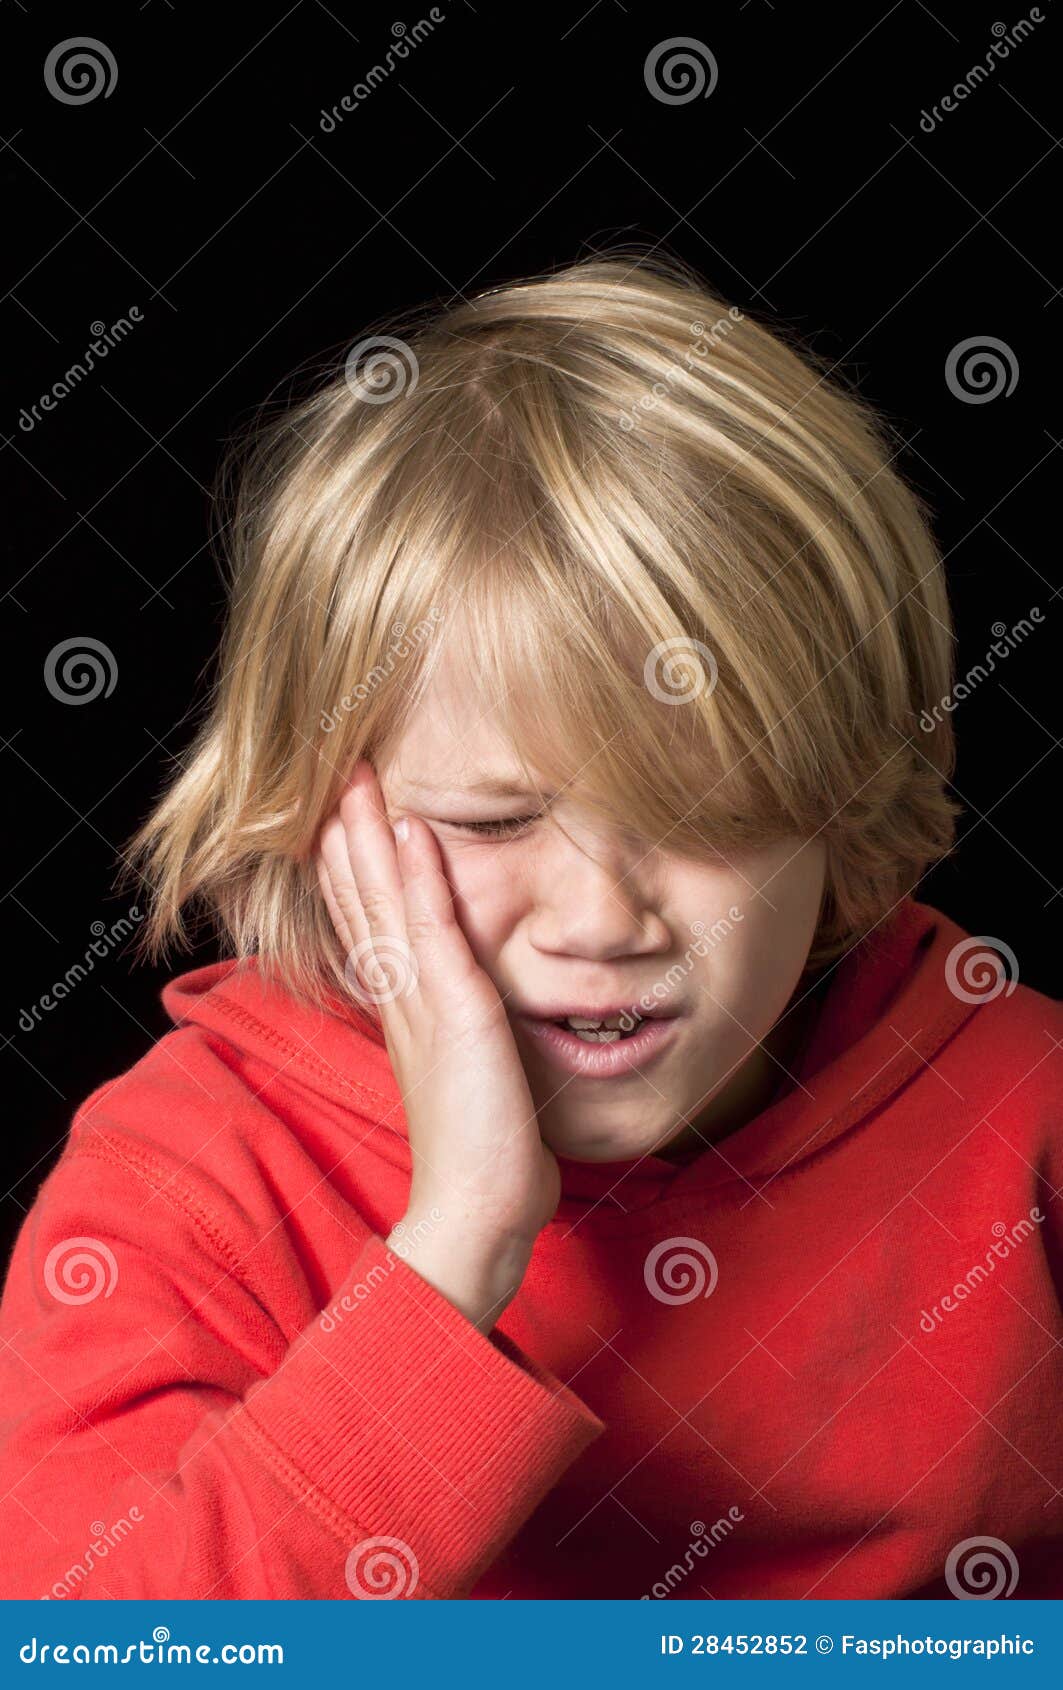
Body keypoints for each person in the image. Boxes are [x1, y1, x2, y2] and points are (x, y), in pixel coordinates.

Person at [1, 250, 1060, 1602]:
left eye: (708, 812)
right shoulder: (191, 1183)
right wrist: (460, 1244)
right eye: (496, 821)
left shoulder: (1027, 1106)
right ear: (315, 804)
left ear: (844, 804)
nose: (602, 915)